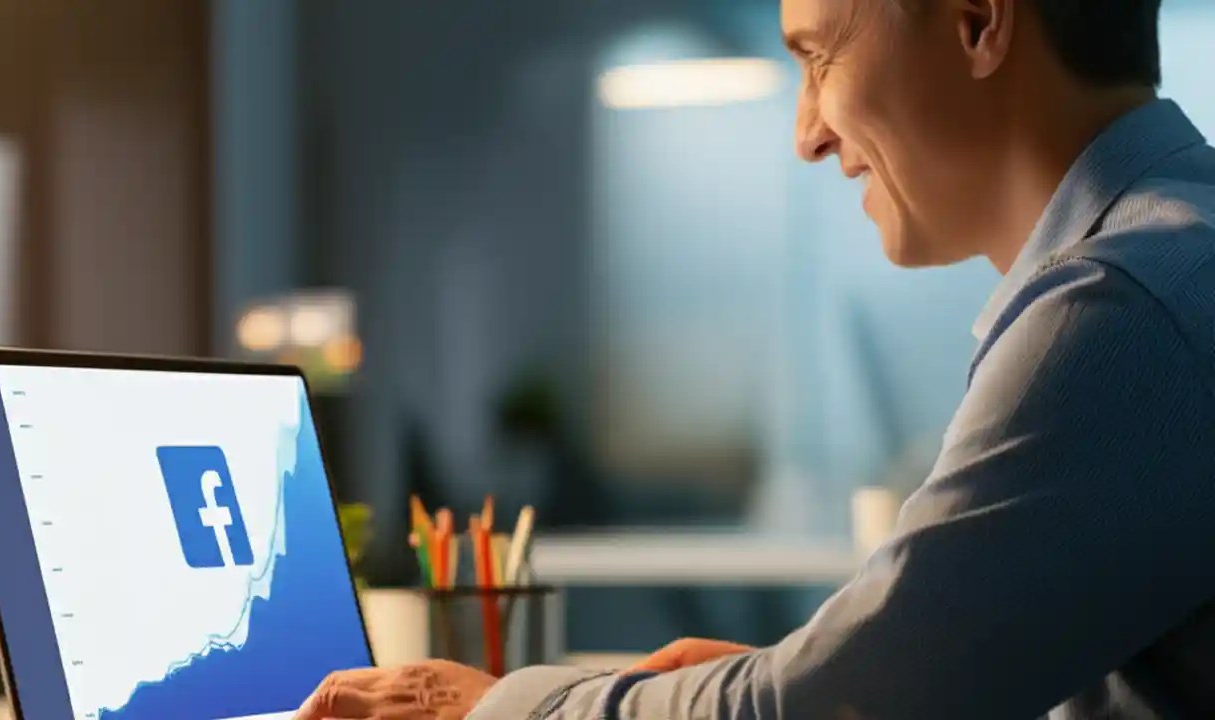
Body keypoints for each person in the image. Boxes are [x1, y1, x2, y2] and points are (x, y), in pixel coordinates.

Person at [295, 0, 1215, 716]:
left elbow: (844, 710)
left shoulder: (1119, 311)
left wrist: (501, 709)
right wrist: (786, 681)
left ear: (977, 23)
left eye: (819, 56)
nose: (807, 132)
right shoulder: (1173, 255)